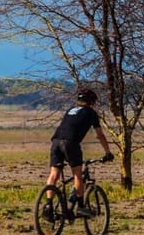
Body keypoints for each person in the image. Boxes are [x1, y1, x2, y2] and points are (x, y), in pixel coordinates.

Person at [43, 88, 114, 218]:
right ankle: (81, 207)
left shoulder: (70, 110)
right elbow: (100, 135)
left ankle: (48, 206)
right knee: (77, 174)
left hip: (56, 142)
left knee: (54, 175)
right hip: (71, 143)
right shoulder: (91, 113)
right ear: (92, 102)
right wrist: (108, 152)